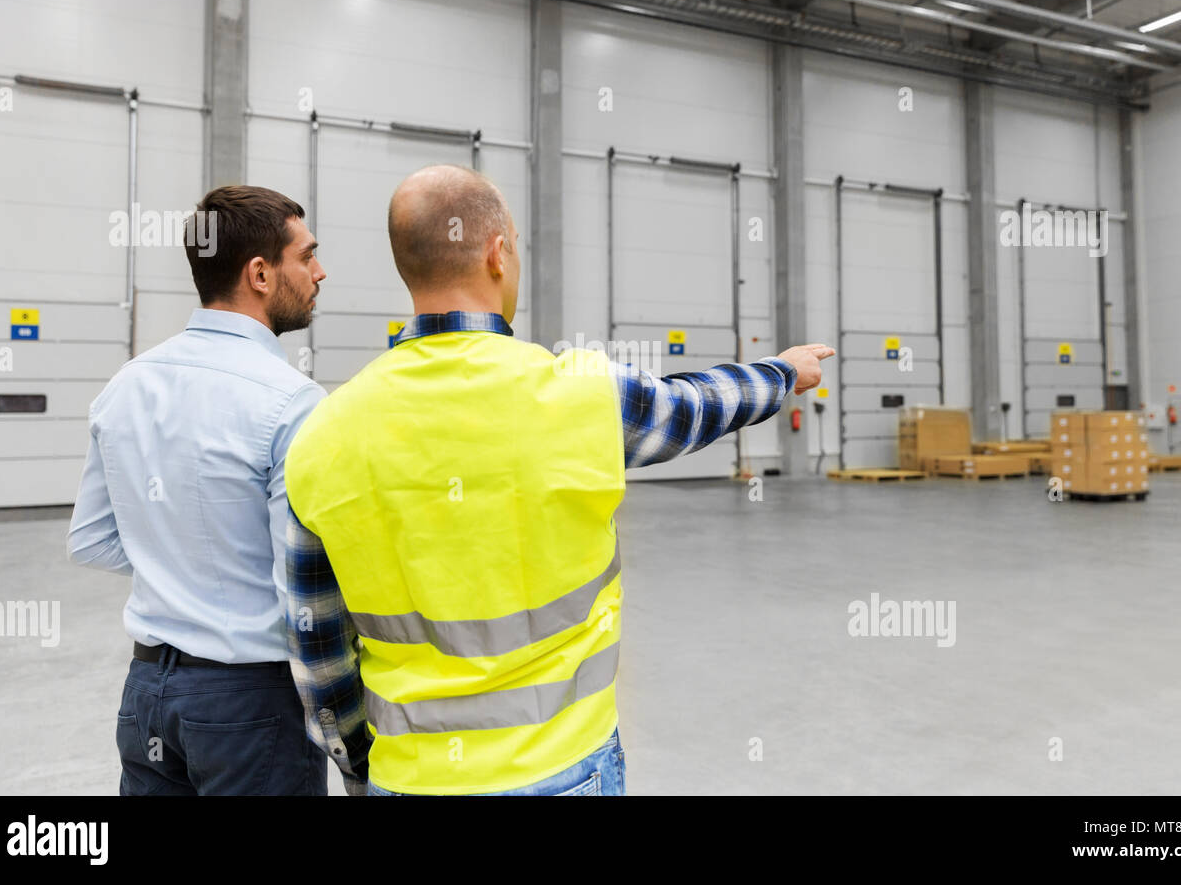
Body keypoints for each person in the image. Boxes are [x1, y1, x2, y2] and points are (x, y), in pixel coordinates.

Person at [283, 164, 834, 796]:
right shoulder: (582, 392)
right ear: (497, 253)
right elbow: (694, 406)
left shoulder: (323, 437)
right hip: (566, 766)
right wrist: (783, 372)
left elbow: (318, 649)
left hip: (410, 777)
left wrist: (361, 767)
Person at [66, 185, 331, 795]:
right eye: (307, 255)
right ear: (260, 274)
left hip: (148, 698)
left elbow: (90, 540)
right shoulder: (292, 403)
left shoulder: (127, 385)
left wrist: (177, 559)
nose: (320, 272)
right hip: (251, 704)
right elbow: (303, 582)